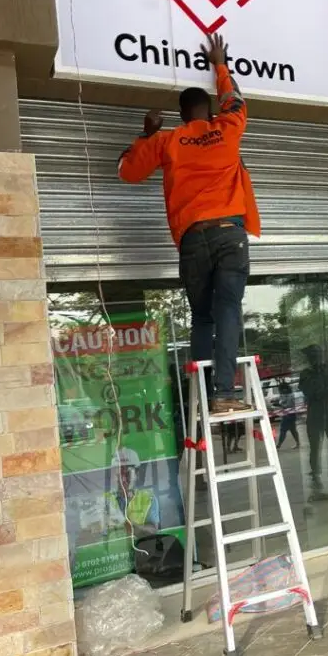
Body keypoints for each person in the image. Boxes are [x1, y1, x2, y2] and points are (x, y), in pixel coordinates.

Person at [118, 33, 259, 416]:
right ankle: (224, 394)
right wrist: (219, 63)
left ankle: (200, 394)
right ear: (209, 111)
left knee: (202, 316)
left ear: (182, 116)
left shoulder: (168, 141)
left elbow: (127, 171)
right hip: (231, 235)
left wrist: (146, 134)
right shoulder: (228, 128)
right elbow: (236, 99)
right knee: (228, 308)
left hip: (194, 240)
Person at [299, 345, 328, 493]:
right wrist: (320, 388)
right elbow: (308, 391)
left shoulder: (327, 370)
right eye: (314, 355)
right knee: (315, 447)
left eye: (318, 354)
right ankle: (315, 476)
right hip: (315, 412)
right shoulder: (306, 373)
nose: (317, 358)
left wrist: (325, 387)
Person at [276, 380, 301, 450]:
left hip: (288, 415)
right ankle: (298, 443)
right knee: (293, 430)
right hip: (290, 414)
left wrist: (281, 404)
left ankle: (278, 445)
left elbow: (288, 405)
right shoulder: (287, 395)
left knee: (283, 430)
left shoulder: (289, 395)